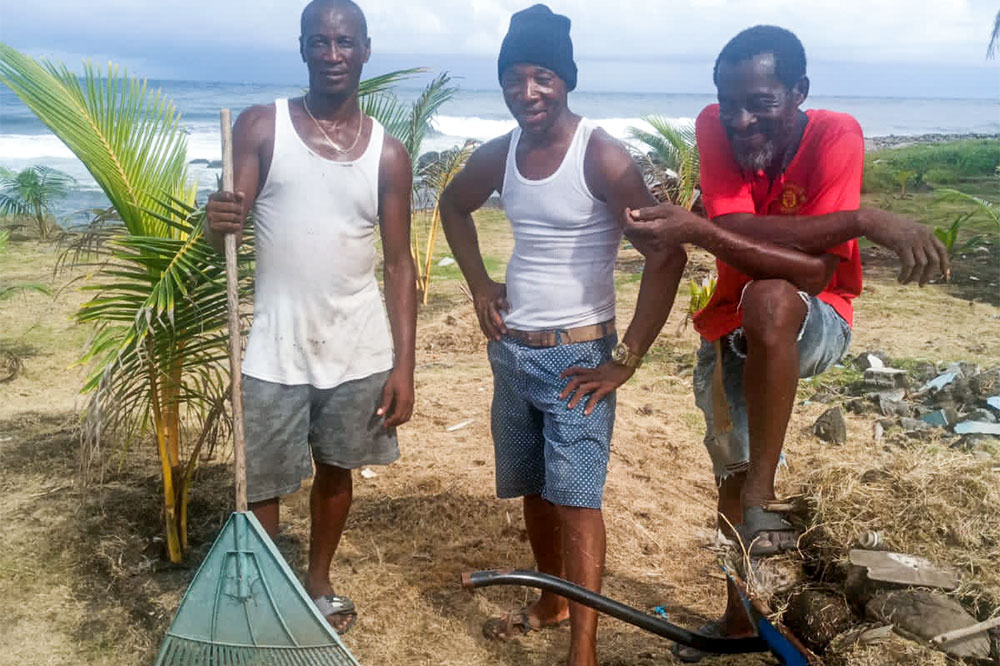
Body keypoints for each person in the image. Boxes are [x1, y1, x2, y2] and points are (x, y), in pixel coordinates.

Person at [624, 25, 948, 662]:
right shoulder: (715, 126)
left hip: (814, 318)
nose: (742, 121)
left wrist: (713, 231)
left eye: (761, 104)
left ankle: (763, 494)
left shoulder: (835, 135)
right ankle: (739, 617)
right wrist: (854, 221)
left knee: (772, 297)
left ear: (798, 92)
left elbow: (815, 276)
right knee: (728, 471)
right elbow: (737, 225)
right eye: (729, 103)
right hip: (728, 326)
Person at [439, 5, 687, 665]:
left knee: (577, 502)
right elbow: (453, 204)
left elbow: (666, 255)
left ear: (566, 79)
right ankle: (551, 602)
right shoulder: (503, 153)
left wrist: (625, 359)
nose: (528, 92)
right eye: (515, 78)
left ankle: (584, 648)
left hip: (578, 357)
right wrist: (480, 286)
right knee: (533, 489)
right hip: (512, 354)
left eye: (542, 76)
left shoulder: (601, 157)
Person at [204, 0, 416, 635]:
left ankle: (317, 581)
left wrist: (405, 364)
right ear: (301, 49)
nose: (332, 55)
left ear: (366, 50)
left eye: (344, 42)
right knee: (262, 480)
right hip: (274, 344)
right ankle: (267, 594)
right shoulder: (261, 127)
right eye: (319, 42)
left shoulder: (388, 153)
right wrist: (216, 221)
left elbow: (401, 264)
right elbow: (229, 234)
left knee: (337, 468)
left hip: (358, 345)